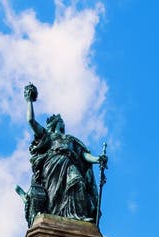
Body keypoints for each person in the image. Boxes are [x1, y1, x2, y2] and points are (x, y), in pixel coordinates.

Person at [24, 83, 107, 222]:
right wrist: (29, 101)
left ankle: (77, 216)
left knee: (78, 182)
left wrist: (98, 159)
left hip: (69, 164)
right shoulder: (47, 136)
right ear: (57, 123)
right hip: (52, 166)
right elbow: (31, 121)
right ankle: (58, 217)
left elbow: (83, 155)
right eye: (61, 121)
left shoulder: (70, 139)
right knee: (53, 195)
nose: (63, 123)